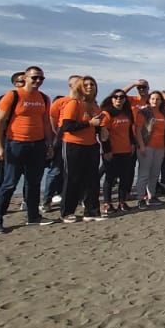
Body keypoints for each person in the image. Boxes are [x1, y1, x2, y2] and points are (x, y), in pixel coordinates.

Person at [0, 67, 56, 234]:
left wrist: (49, 145)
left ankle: (33, 217)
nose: (38, 81)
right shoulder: (12, 96)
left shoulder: (44, 98)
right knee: (9, 183)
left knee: (33, 183)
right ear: (25, 78)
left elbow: (46, 123)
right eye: (34, 78)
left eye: (41, 78)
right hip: (15, 144)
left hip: (37, 145)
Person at [58, 75, 107, 222]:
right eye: (86, 85)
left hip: (91, 145)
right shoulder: (74, 104)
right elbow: (67, 127)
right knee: (73, 178)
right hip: (73, 144)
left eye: (92, 84)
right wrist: (90, 124)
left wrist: (102, 130)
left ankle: (91, 211)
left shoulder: (95, 106)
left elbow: (98, 125)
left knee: (92, 179)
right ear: (80, 87)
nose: (90, 87)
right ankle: (67, 212)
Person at [41, 75, 82, 212]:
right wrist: (56, 136)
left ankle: (75, 198)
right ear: (70, 85)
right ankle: (46, 200)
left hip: (80, 142)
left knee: (75, 172)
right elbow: (51, 120)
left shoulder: (85, 102)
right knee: (56, 171)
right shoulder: (61, 102)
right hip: (63, 139)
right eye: (77, 83)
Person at [99, 89, 139, 215]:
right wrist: (107, 150)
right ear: (111, 99)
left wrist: (132, 144)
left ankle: (122, 202)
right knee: (110, 178)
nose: (118, 99)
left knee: (125, 177)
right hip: (112, 151)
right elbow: (103, 134)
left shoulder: (127, 113)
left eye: (121, 97)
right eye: (116, 97)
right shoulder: (107, 113)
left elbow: (129, 131)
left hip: (126, 150)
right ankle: (107, 203)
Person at [0, 71, 25, 195]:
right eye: (21, 81)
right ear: (15, 83)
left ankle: (26, 201)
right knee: (5, 176)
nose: (24, 83)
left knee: (30, 177)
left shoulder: (38, 98)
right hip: (10, 143)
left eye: (26, 80)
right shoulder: (9, 97)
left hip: (30, 144)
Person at [133, 91, 165, 208]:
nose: (155, 101)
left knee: (155, 173)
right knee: (144, 173)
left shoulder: (162, 114)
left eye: (158, 99)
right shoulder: (144, 113)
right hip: (147, 146)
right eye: (153, 98)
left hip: (159, 147)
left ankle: (151, 196)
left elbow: (164, 133)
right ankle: (140, 198)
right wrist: (142, 145)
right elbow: (138, 130)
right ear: (149, 100)